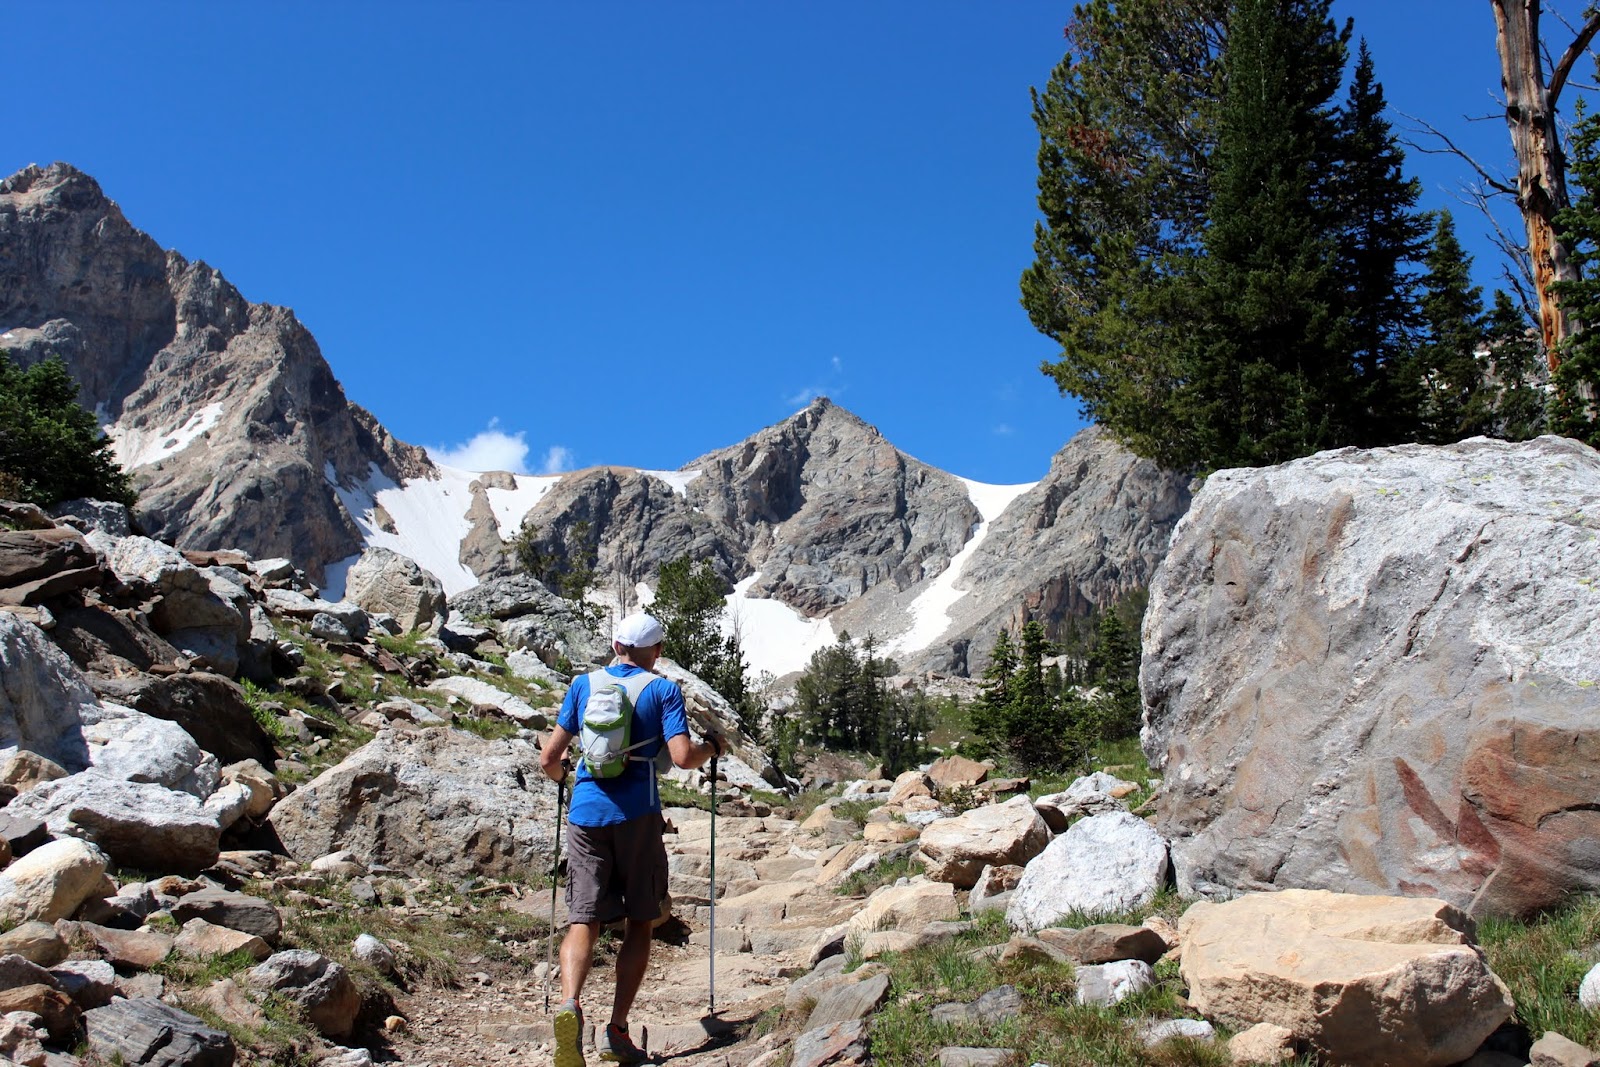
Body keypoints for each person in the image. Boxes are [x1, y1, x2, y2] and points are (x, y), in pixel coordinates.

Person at [540, 611, 724, 1067]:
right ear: (655, 651)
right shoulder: (662, 690)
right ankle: (617, 1030)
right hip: (638, 816)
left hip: (586, 813)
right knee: (640, 920)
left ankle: (569, 1005)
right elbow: (682, 758)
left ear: (616, 645)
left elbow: (549, 759)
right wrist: (712, 748)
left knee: (583, 918)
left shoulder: (583, 685)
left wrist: (566, 779)